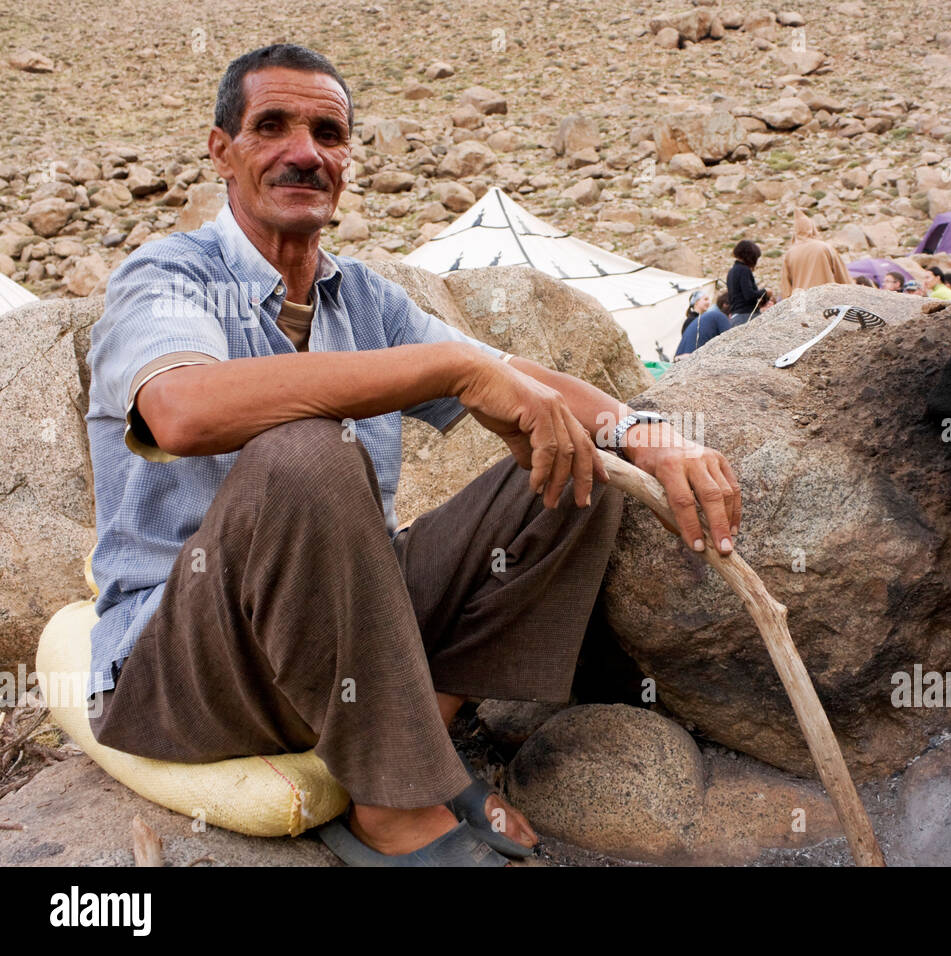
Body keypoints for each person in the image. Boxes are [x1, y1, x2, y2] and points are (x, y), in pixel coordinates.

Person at [83, 43, 743, 868]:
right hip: (186, 663)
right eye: (273, 126)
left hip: (344, 638)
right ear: (222, 150)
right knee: (304, 452)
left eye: (327, 131)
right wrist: (452, 369)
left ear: (347, 159)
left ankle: (414, 743)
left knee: (578, 466)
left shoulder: (360, 294)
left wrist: (646, 430)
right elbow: (179, 411)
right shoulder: (167, 275)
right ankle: (388, 805)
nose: (304, 151)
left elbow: (520, 380)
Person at [779, 211, 852, 298]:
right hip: (826, 299)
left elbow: (786, 289)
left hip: (802, 304)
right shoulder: (825, 247)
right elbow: (843, 277)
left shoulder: (789, 254)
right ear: (812, 228)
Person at [675, 290, 730, 358]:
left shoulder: (705, 318)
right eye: (705, 299)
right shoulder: (691, 320)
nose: (708, 302)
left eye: (709, 299)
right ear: (696, 302)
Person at [726, 239, 766, 324]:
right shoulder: (744, 270)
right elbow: (749, 295)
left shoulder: (731, 271)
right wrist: (765, 292)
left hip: (735, 316)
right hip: (746, 316)